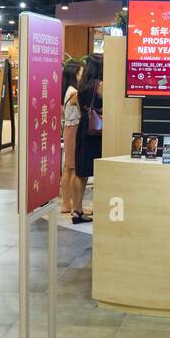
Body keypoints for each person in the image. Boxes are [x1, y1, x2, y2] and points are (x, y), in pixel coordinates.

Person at [72, 55, 104, 224]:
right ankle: (101, 207)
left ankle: (77, 210)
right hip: (97, 130)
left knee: (81, 172)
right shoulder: (100, 85)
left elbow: (78, 107)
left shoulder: (82, 87)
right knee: (100, 169)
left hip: (83, 127)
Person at [60, 59, 82, 215]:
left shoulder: (67, 90)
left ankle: (67, 203)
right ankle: (74, 205)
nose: (83, 75)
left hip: (69, 129)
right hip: (74, 130)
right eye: (81, 72)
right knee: (73, 168)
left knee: (68, 168)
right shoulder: (74, 93)